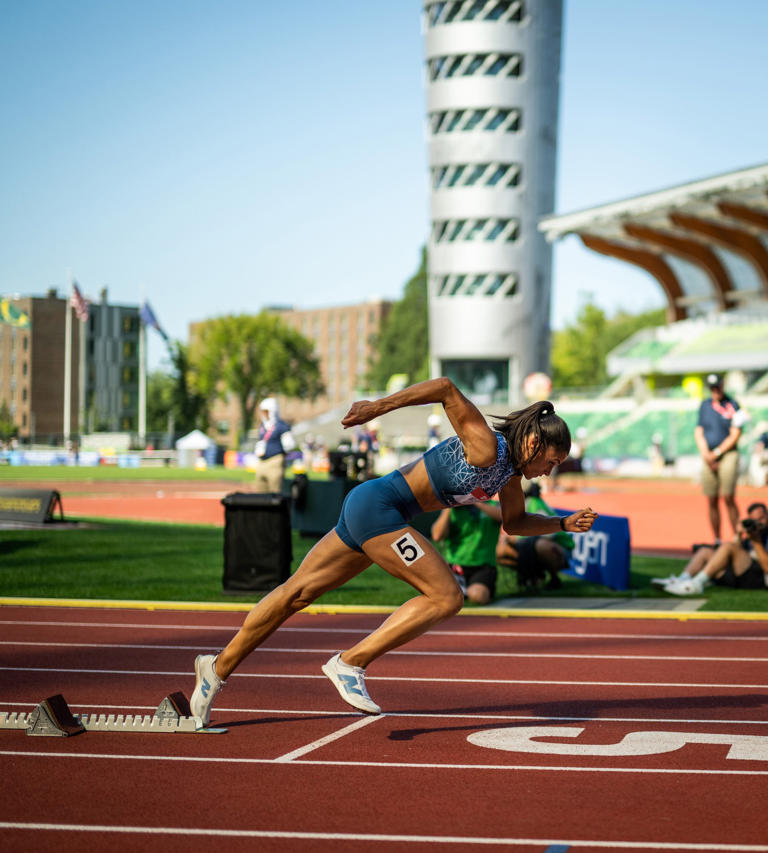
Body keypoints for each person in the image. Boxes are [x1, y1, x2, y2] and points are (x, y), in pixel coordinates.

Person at [189, 377, 598, 723]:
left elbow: (514, 523)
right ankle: (350, 662)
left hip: (373, 508)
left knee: (297, 592)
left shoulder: (509, 475)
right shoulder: (487, 446)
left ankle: (216, 668)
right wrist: (377, 407)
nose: (551, 469)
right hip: (382, 508)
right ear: (532, 441)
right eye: (552, 459)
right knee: (446, 595)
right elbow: (445, 387)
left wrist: (562, 523)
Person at [657, 502, 768, 596]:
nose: (758, 523)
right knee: (705, 551)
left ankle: (696, 584)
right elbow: (737, 552)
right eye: (754, 520)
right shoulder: (752, 533)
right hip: (743, 573)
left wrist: (756, 541)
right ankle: (682, 579)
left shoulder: (761, 536)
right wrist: (739, 534)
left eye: (761, 519)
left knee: (728, 547)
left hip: (760, 579)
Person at [694, 374, 747, 541]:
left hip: (727, 454)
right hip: (708, 455)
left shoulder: (733, 405)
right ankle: (717, 539)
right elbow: (699, 431)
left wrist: (717, 453)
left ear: (722, 386)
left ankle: (736, 537)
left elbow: (735, 434)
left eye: (717, 386)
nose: (715, 390)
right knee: (711, 498)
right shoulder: (704, 405)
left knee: (728, 496)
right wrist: (706, 454)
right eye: (712, 388)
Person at [496, 483, 574, 592]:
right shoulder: (522, 504)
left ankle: (553, 579)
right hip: (533, 547)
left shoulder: (535, 504)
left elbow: (549, 535)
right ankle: (533, 574)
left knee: (541, 545)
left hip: (559, 548)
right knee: (500, 551)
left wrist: (517, 539)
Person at [430, 499, 502, 604]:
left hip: (483, 567)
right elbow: (437, 536)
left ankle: (461, 592)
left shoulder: (491, 506)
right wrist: (449, 506)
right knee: (438, 596)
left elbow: (504, 517)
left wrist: (473, 501)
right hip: (456, 566)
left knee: (478, 595)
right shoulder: (453, 511)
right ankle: (460, 591)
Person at [252, 397, 295, 493]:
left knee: (275, 493)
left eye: (266, 411)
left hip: (275, 461)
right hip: (262, 462)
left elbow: (289, 445)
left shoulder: (281, 426)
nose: (264, 414)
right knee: (261, 493)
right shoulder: (262, 426)